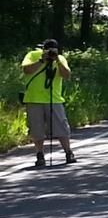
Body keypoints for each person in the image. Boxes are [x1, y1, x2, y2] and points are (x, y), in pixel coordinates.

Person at [21, 39, 75, 167]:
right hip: (34, 99)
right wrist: (41, 60)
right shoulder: (33, 55)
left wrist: (57, 61)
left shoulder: (60, 59)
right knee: (36, 129)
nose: (50, 52)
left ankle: (68, 152)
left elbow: (67, 75)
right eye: (48, 50)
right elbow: (26, 70)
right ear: (43, 49)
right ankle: (40, 154)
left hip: (54, 99)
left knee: (61, 127)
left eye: (53, 50)